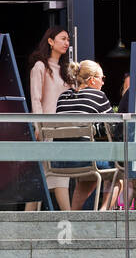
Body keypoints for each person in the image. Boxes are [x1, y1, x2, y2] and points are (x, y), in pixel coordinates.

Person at [53, 60, 116, 210]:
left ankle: (74, 217)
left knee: (89, 175)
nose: (102, 82)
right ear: (93, 79)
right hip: (84, 160)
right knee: (120, 168)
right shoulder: (98, 96)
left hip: (59, 161)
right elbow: (115, 129)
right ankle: (103, 212)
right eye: (102, 78)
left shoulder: (63, 96)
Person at [28, 27, 72, 209]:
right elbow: (36, 99)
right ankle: (69, 219)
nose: (66, 43)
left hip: (63, 133)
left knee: (46, 181)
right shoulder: (40, 67)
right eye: (62, 39)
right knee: (50, 179)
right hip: (47, 132)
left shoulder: (66, 70)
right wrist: (38, 128)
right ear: (51, 41)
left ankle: (27, 226)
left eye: (68, 39)